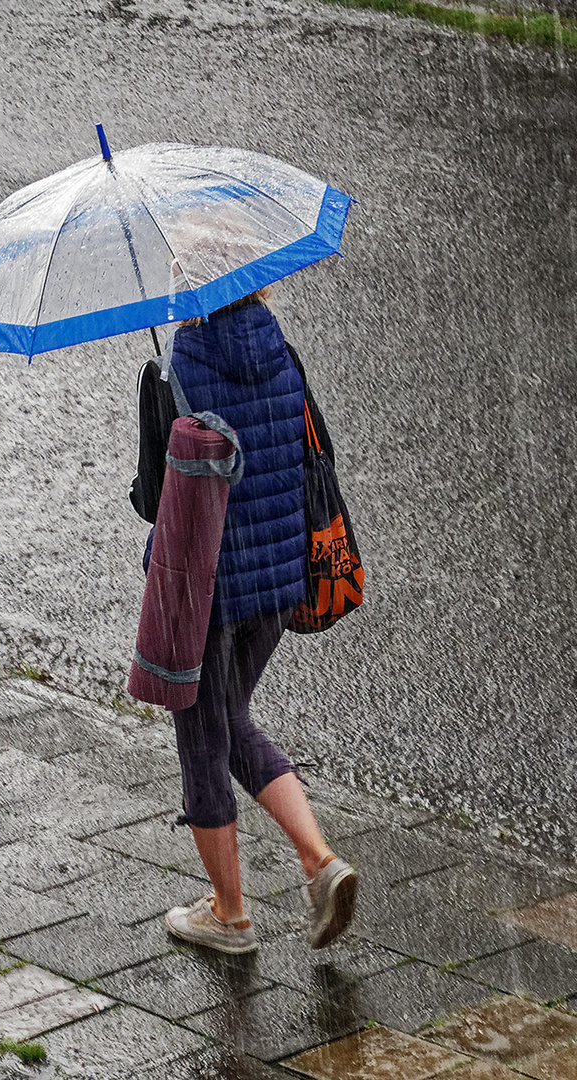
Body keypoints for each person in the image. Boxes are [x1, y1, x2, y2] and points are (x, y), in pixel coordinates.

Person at [129, 285, 357, 955]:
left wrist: (165, 402)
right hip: (281, 584)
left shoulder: (178, 368)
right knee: (232, 721)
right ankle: (318, 861)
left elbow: (153, 498)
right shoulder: (283, 355)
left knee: (204, 744)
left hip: (205, 590)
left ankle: (230, 915)